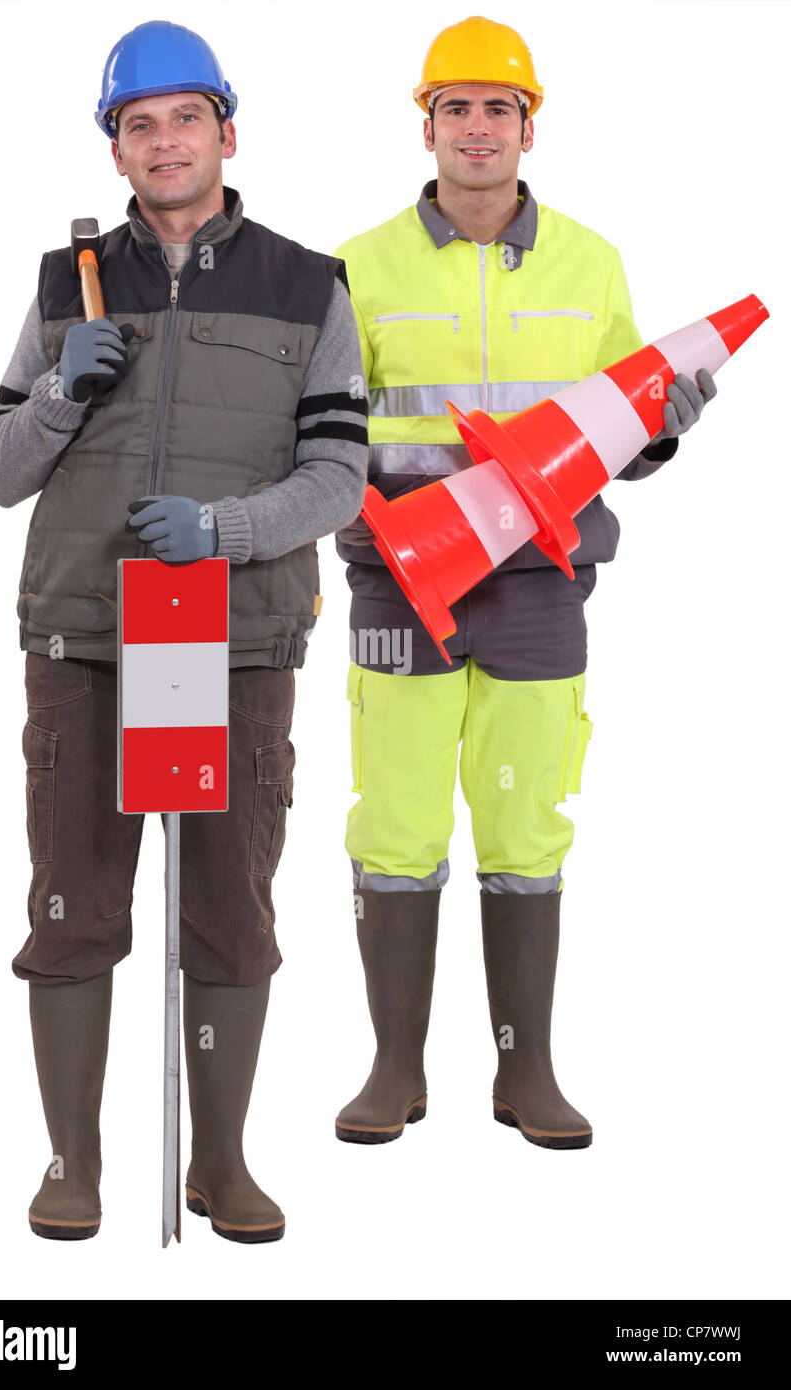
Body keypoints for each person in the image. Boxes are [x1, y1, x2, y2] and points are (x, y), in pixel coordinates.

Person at [0, 19, 368, 1242]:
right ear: (117, 152)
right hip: (86, 641)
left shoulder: (308, 284)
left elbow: (340, 476)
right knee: (74, 900)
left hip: (232, 641)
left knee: (228, 908)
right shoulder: (64, 283)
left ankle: (223, 1162)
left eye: (183, 118)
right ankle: (71, 1162)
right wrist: (56, 394)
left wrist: (227, 524)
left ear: (225, 133)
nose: (162, 140)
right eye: (136, 125)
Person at [332, 16, 716, 1149]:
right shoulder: (357, 264)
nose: (476, 127)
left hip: (540, 580)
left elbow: (618, 425)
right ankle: (393, 1067)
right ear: (428, 125)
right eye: (455, 107)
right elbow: (326, 432)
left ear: (526, 126)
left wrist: (662, 430)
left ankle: (523, 1071)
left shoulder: (590, 262)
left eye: (496, 108)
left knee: (523, 819)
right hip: (400, 579)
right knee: (395, 818)